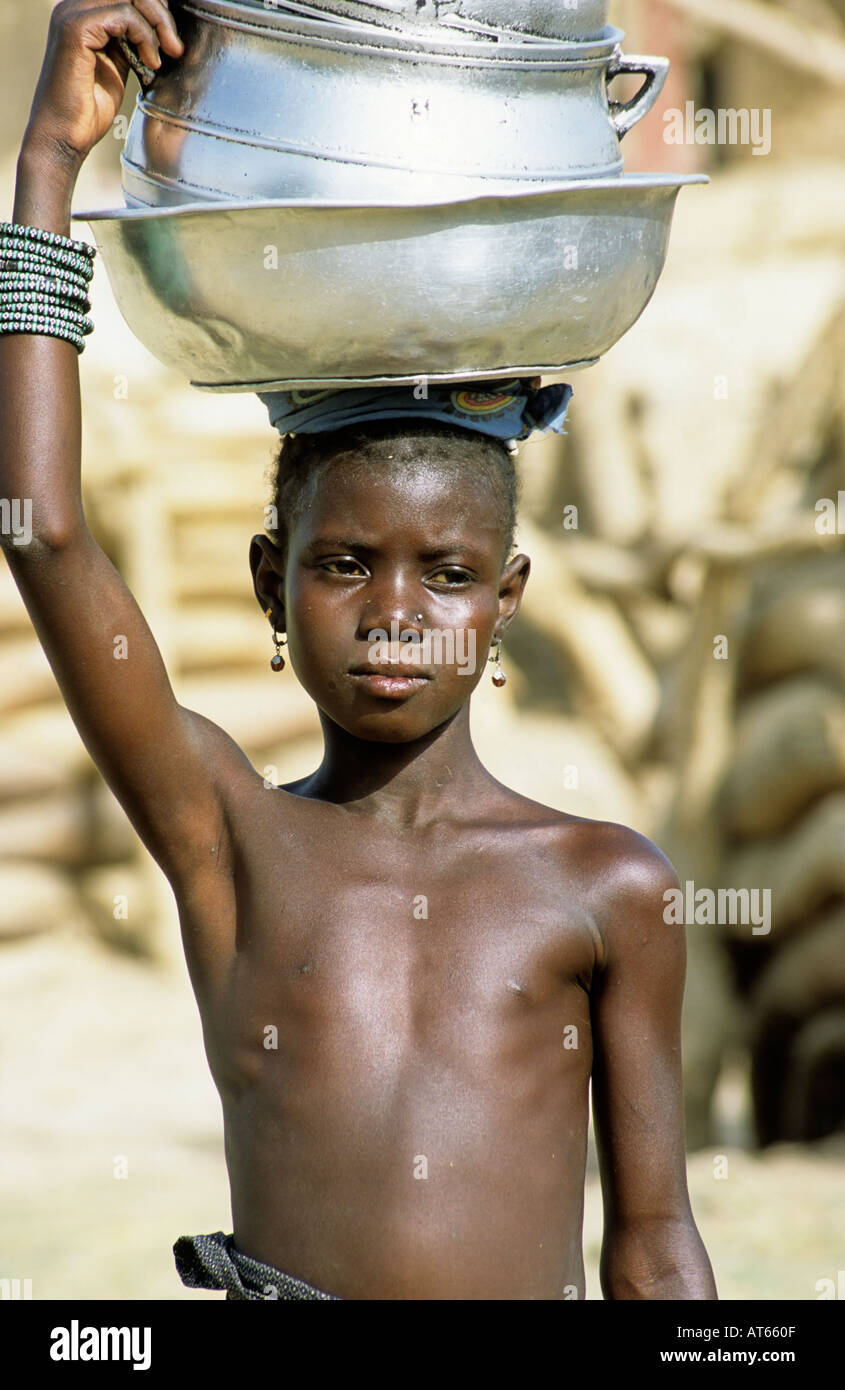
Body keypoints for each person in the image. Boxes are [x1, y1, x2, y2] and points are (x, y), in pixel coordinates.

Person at [0, 0, 717, 1301]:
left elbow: (655, 1239)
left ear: (506, 598)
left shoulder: (609, 887)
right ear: (271, 581)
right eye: (343, 564)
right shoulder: (230, 838)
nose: (394, 612)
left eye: (446, 574)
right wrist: (49, 164)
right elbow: (43, 532)